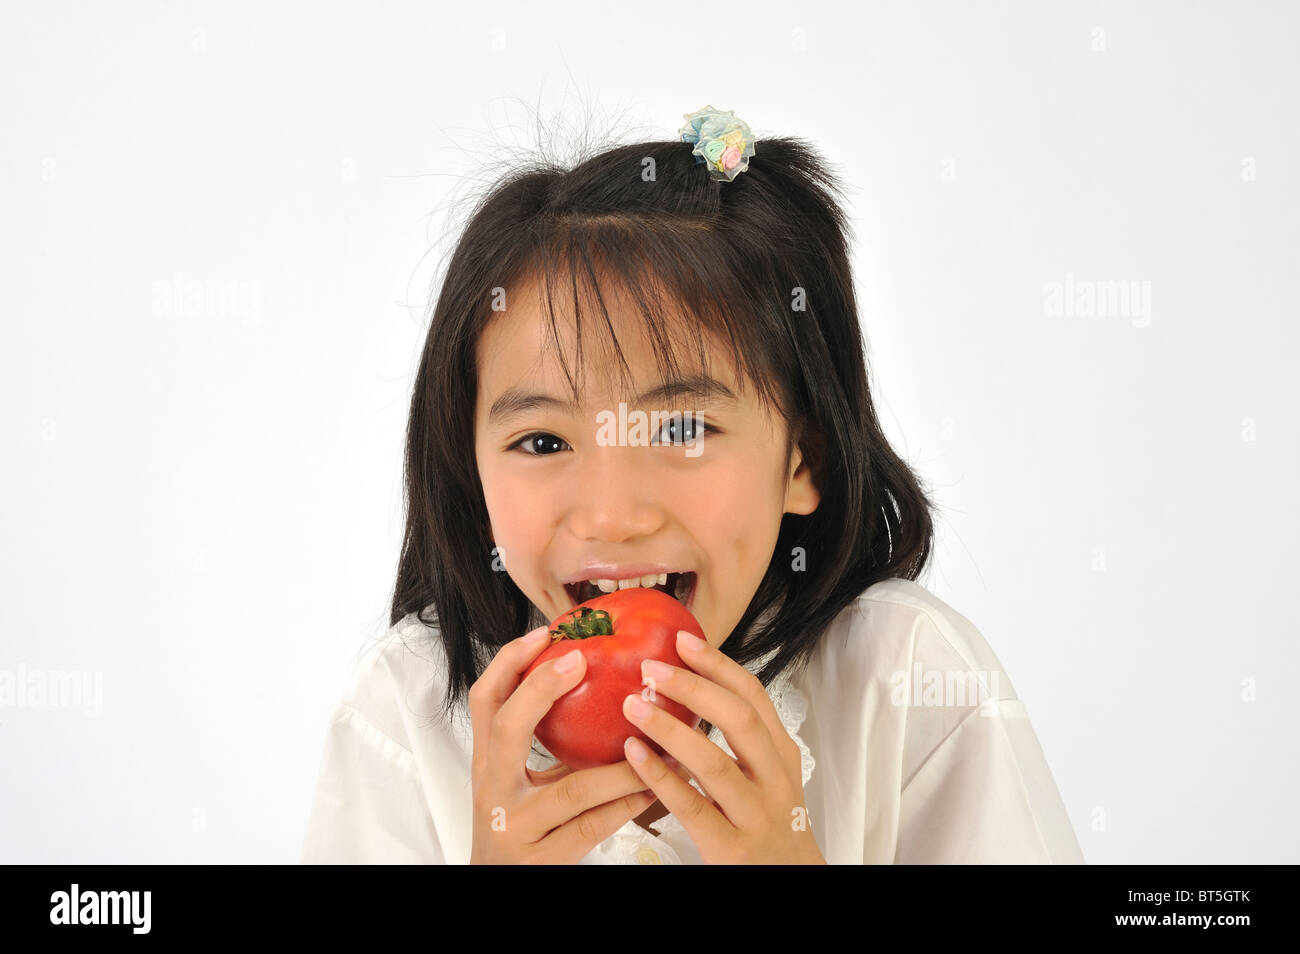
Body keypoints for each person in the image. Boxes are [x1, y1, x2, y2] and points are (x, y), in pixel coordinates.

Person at [300, 107, 1085, 864]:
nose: (611, 516)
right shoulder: (403, 710)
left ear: (801, 461)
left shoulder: (906, 681)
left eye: (680, 430)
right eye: (542, 441)